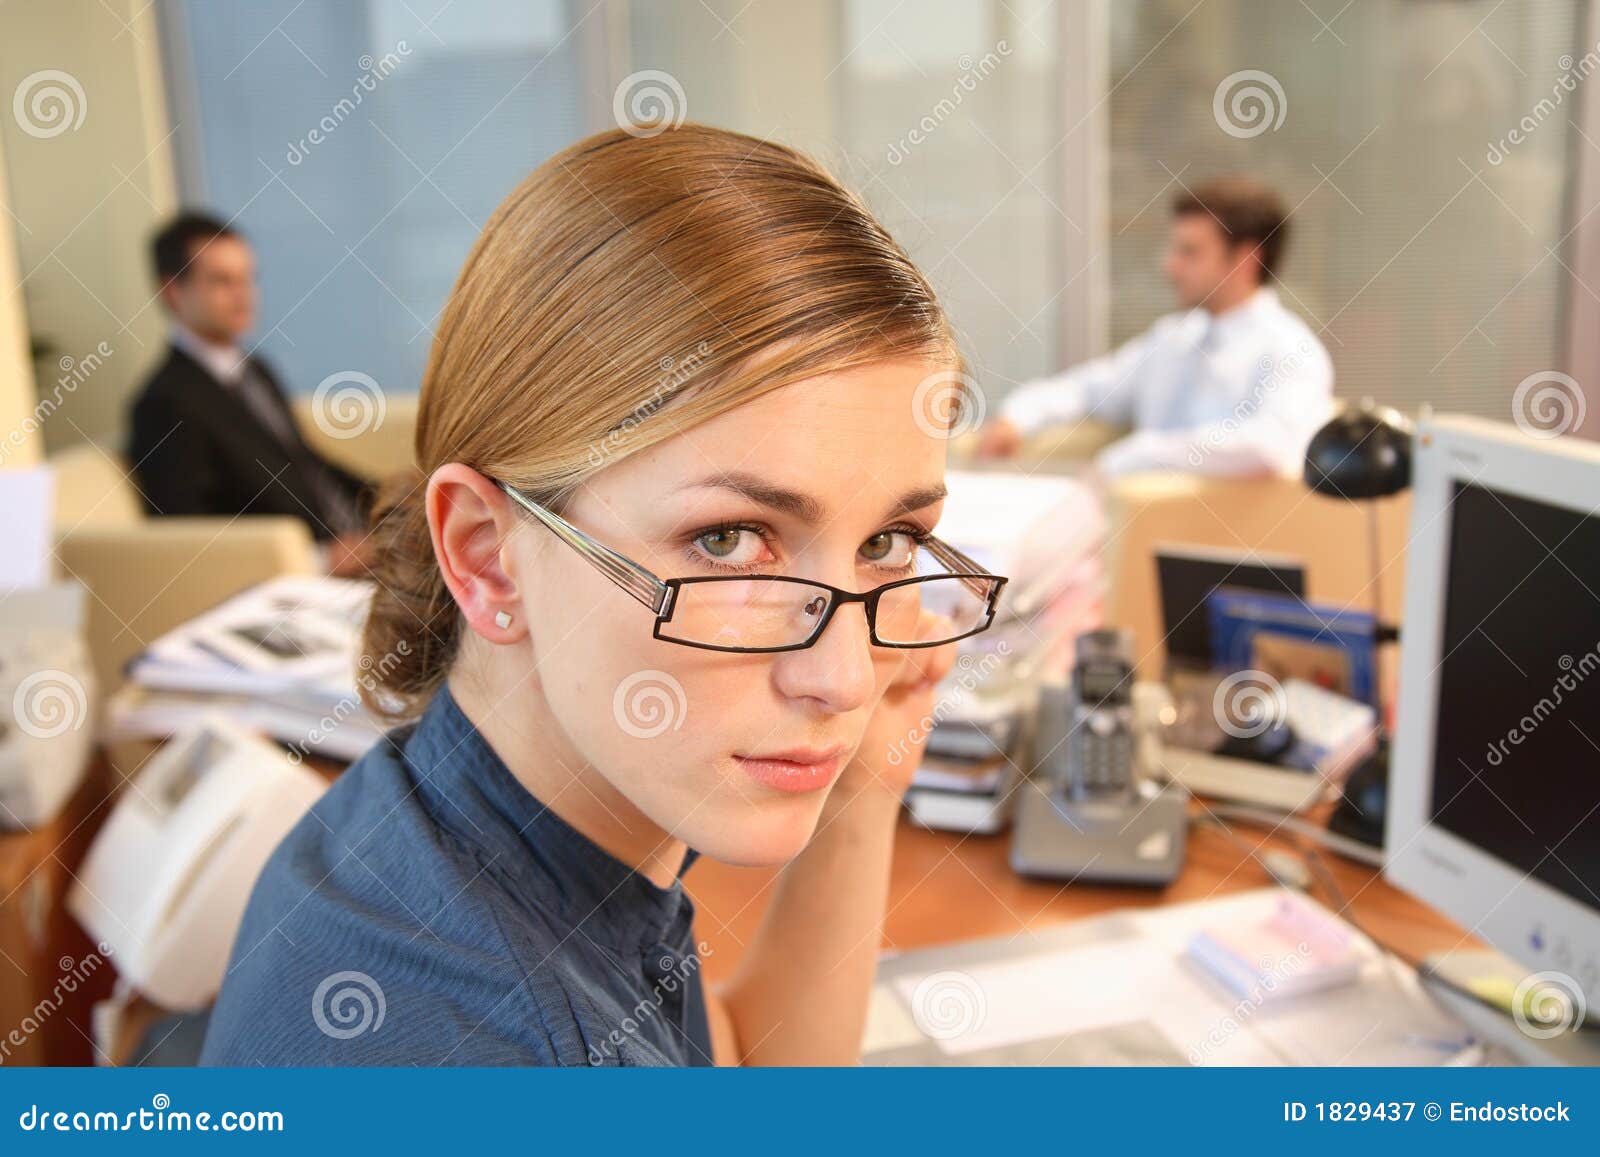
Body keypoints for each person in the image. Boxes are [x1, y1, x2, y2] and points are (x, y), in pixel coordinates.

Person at [200, 124, 1006, 1066]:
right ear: (489, 556)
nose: (847, 676)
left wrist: (868, 787)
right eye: (728, 540)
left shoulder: (490, 824)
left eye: (885, 542)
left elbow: (740, 1060)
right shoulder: (504, 1044)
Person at [978, 177, 1334, 477]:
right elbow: (1089, 389)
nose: (1171, 267)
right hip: (1133, 532)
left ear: (1246, 259)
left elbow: (1269, 447)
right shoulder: (1174, 337)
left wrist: (1140, 455)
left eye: (1190, 253)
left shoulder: (1290, 349)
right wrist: (1017, 416)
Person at [127, 213, 371, 571]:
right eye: (222, 282)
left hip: (354, 537)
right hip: (309, 567)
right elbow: (188, 534)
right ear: (173, 291)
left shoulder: (256, 369)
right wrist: (321, 560)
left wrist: (390, 501)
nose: (244, 296)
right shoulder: (164, 402)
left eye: (248, 279)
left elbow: (303, 461)